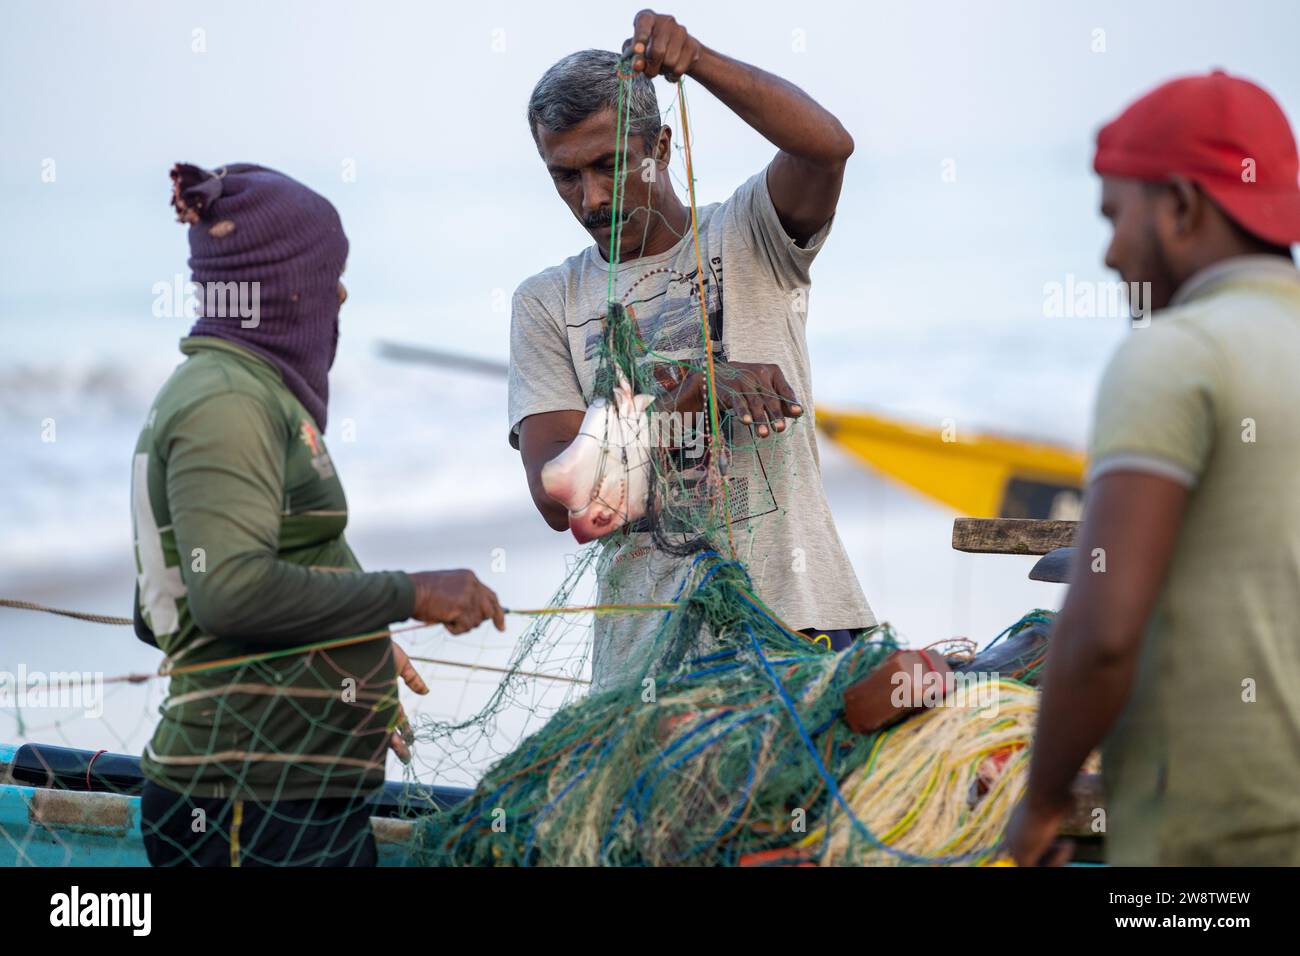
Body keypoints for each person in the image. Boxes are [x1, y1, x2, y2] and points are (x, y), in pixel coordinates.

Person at [132, 162, 505, 866]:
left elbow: (165, 605)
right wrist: (408, 593)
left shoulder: (250, 392)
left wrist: (343, 641)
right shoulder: (226, 403)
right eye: (328, 274)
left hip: (292, 799)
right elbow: (223, 592)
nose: (340, 294)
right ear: (281, 287)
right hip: (248, 806)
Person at [508, 11, 875, 694]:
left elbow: (827, 148)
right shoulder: (547, 302)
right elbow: (562, 499)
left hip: (799, 622)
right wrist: (691, 389)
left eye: (609, 165)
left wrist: (698, 60)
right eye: (565, 176)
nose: (590, 198)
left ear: (662, 147)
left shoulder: (748, 234)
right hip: (647, 662)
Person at [1006, 70, 1300, 866]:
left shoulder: (1174, 356)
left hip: (1215, 842)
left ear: (1180, 205)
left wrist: (1043, 802)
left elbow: (1102, 633)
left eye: (1115, 214)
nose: (1107, 253)